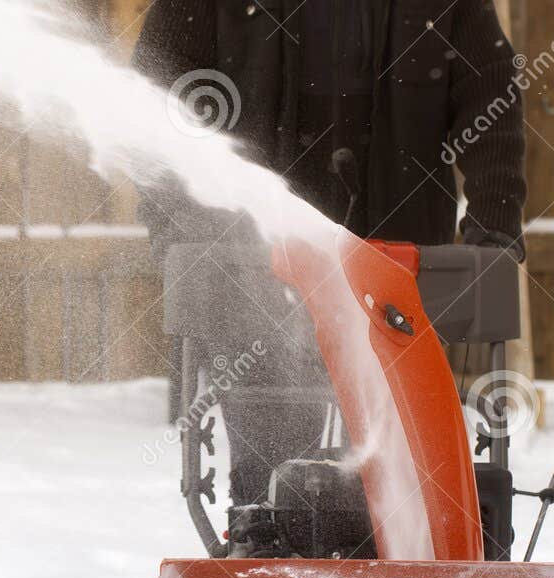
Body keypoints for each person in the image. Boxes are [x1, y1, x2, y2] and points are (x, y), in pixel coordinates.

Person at [132, 0, 527, 510]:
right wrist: (179, 230)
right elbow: (159, 94)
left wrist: (494, 226)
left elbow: (488, 88)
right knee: (272, 473)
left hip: (395, 266)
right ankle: (267, 542)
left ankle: (406, 550)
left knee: (399, 470)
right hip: (252, 266)